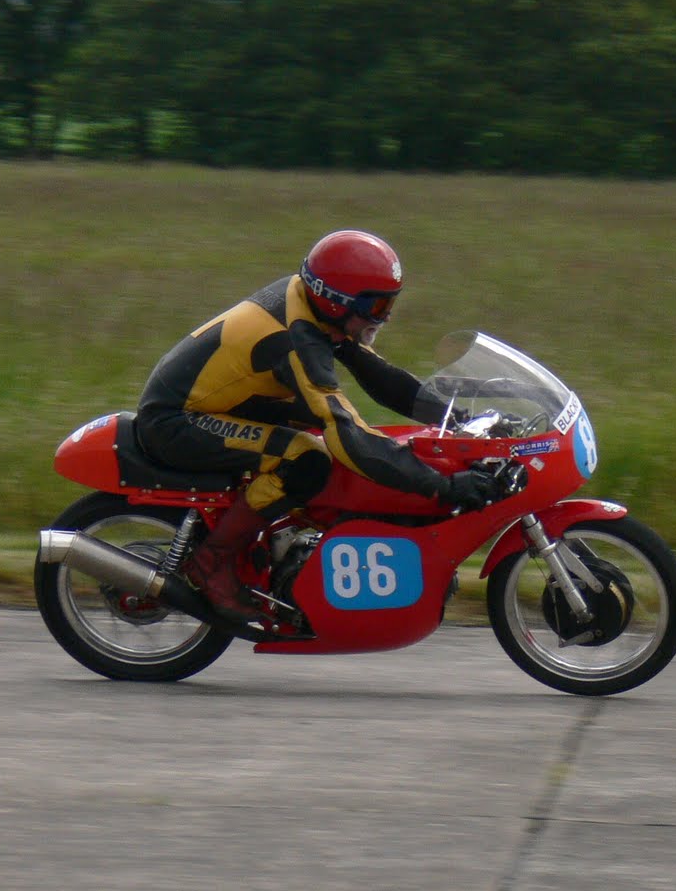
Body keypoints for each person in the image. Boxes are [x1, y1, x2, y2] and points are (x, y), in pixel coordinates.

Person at [135, 230, 495, 619]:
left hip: (224, 403)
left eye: (389, 303)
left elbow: (383, 379)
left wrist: (459, 419)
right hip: (177, 420)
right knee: (309, 458)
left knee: (336, 439)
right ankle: (213, 560)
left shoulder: (312, 305)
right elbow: (345, 430)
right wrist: (442, 487)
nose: (384, 316)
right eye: (375, 306)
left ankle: (289, 541)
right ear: (337, 300)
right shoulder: (296, 339)